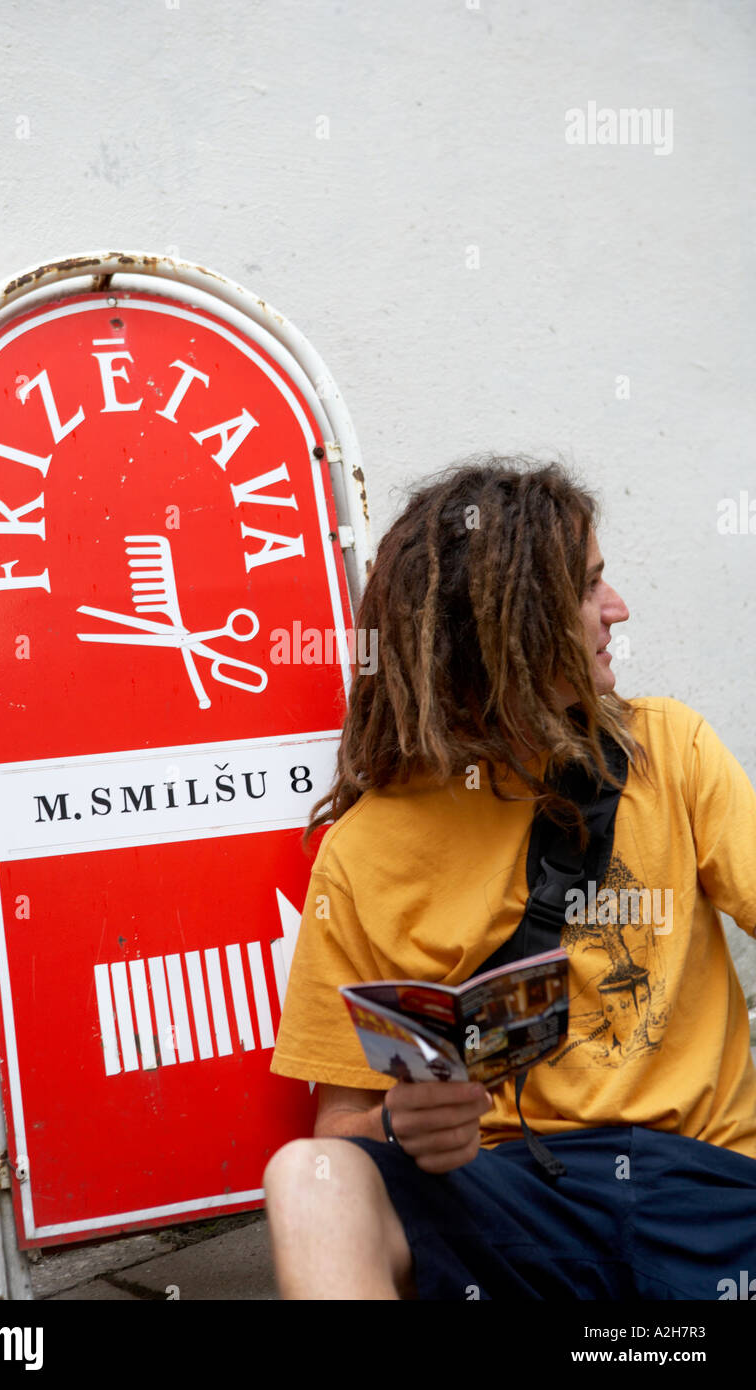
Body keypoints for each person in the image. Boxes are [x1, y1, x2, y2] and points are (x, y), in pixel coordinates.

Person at [263, 456, 756, 1301]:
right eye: (590, 589)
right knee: (307, 1176)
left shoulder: (665, 751)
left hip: (706, 1191)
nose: (618, 610)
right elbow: (339, 1125)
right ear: (511, 636)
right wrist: (399, 1123)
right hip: (514, 1203)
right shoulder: (362, 852)